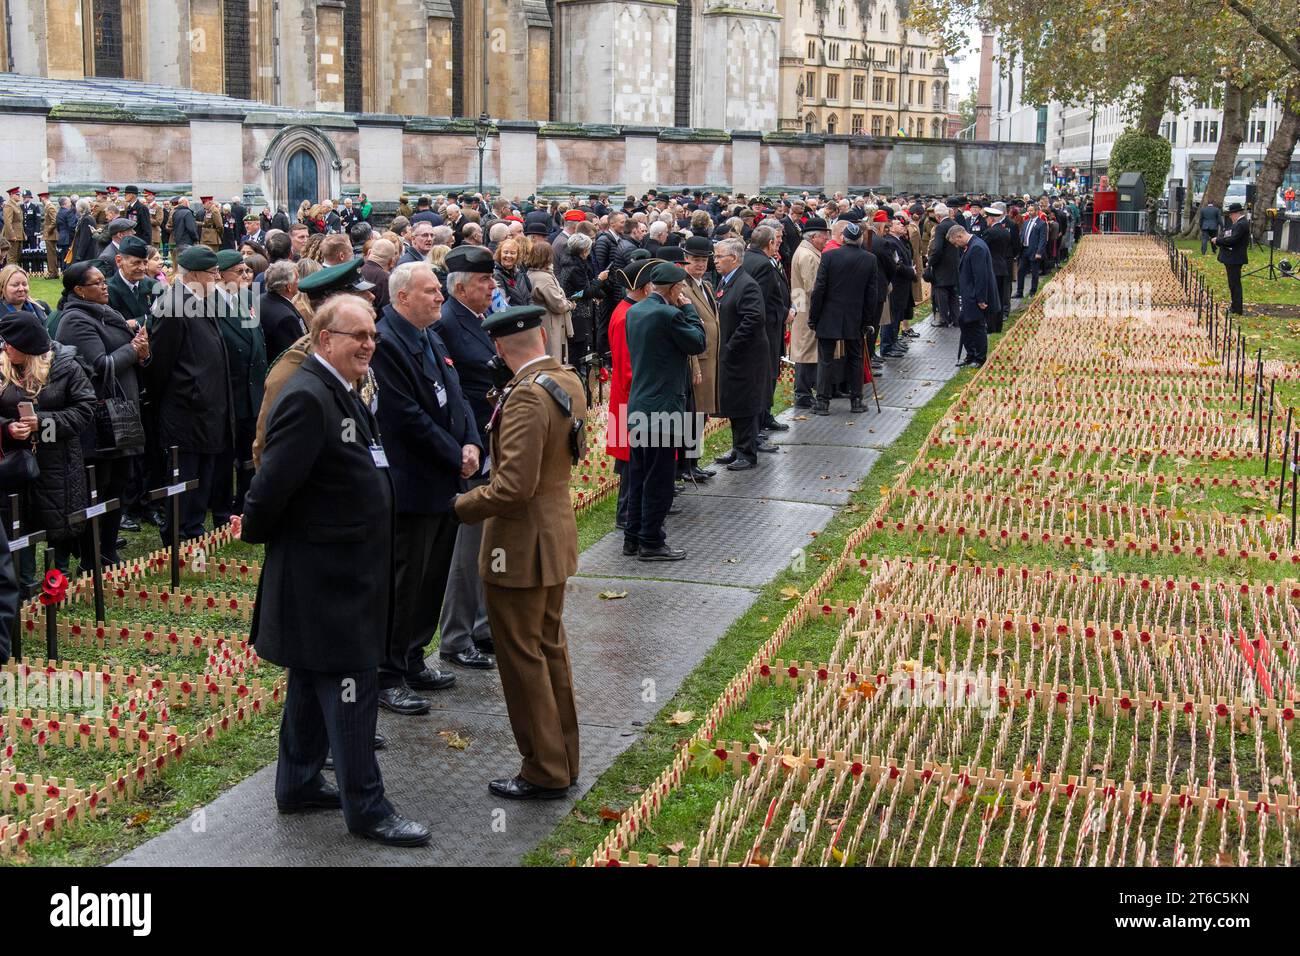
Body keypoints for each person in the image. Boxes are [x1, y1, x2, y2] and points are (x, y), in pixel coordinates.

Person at [242, 293, 430, 847]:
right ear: (326, 340)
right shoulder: (307, 396)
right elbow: (269, 488)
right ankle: (368, 808)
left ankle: (298, 783)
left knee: (310, 676)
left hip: (346, 571)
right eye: (359, 337)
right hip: (325, 578)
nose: (370, 345)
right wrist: (276, 537)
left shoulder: (339, 389)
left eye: (373, 336)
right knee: (352, 685)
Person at [451, 304, 588, 800]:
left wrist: (460, 506)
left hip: (520, 546)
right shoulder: (564, 379)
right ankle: (563, 759)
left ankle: (543, 769)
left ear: (500, 348)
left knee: (522, 658)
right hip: (552, 537)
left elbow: (512, 487)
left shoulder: (527, 397)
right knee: (549, 649)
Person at [371, 262, 483, 714]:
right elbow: (403, 415)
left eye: (439, 290)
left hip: (443, 478)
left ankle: (415, 657)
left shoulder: (429, 335)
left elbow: (456, 396)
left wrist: (472, 438)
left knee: (431, 576)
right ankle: (388, 673)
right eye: (431, 291)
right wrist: (454, 451)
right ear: (403, 298)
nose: (440, 297)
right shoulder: (386, 344)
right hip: (412, 481)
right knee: (405, 581)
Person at [54, 260, 150, 566]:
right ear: (79, 290)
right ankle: (90, 554)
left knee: (119, 482)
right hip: (98, 417)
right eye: (97, 283)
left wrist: (142, 353)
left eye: (104, 281)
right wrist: (133, 351)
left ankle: (108, 548)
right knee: (100, 485)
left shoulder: (109, 314)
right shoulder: (75, 321)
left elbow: (129, 357)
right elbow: (100, 365)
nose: (105, 286)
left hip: (122, 411)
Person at [431, 245, 498, 667]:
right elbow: (452, 394)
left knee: (485, 540)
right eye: (484, 281)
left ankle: (481, 626)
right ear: (460, 287)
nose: (492, 286)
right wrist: (466, 445)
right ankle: (456, 637)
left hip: (486, 442)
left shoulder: (474, 317)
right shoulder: (447, 324)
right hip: (467, 448)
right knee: (467, 547)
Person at [0, 311, 96, 593]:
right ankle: (25, 582)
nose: (5, 348)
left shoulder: (66, 366)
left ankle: (58, 579)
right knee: (20, 520)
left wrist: (43, 424)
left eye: (11, 345)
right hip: (15, 463)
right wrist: (8, 429)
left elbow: (84, 409)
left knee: (59, 519)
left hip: (58, 460)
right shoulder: (2, 366)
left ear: (29, 347)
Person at [147, 245, 233, 542]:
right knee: (184, 476)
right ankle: (179, 533)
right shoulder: (172, 305)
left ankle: (194, 530)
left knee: (204, 473)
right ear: (194, 274)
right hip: (185, 409)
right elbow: (161, 363)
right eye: (213, 274)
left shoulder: (200, 300)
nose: (218, 278)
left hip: (207, 408)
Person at [622, 262, 705, 561]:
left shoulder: (635, 311)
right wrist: (689, 310)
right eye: (681, 288)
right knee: (659, 479)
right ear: (673, 289)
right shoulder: (669, 314)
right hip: (664, 408)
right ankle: (652, 542)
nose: (683, 292)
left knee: (639, 474)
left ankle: (632, 538)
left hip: (639, 404)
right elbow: (698, 341)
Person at [711, 238, 769, 471]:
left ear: (733, 259)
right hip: (733, 355)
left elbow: (753, 318)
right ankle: (738, 447)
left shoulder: (747, 284)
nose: (714, 261)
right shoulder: (727, 281)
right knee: (734, 402)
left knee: (745, 403)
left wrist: (730, 345)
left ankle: (747, 452)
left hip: (745, 356)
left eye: (718, 257)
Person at [808, 221, 877, 415]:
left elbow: (819, 289)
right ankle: (856, 400)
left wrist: (814, 316)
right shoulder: (869, 259)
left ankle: (822, 402)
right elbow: (871, 294)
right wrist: (867, 321)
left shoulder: (829, 256)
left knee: (825, 360)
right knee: (855, 359)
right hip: (855, 316)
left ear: (843, 238)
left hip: (830, 315)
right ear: (860, 239)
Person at [741, 225, 790, 446]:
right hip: (767, 328)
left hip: (771, 325)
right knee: (765, 376)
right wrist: (783, 313)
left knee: (769, 374)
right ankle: (759, 424)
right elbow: (759, 300)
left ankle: (765, 416)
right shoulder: (761, 263)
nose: (779, 242)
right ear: (768, 242)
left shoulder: (757, 259)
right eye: (776, 239)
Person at [680, 235, 720, 447]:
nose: (701, 264)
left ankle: (694, 463)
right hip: (698, 359)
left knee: (701, 413)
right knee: (693, 413)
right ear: (686, 259)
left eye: (704, 260)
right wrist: (694, 365)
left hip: (710, 357)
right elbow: (687, 328)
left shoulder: (705, 285)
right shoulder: (683, 288)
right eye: (696, 259)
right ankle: (689, 465)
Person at [789, 218, 827, 408]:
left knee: (807, 349)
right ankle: (802, 394)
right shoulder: (808, 255)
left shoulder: (806, 251)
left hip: (803, 306)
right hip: (808, 308)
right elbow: (812, 287)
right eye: (823, 235)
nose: (826, 239)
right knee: (805, 351)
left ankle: (804, 391)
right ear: (813, 237)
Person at [948, 224, 997, 367]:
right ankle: (971, 354)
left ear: (959, 236)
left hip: (975, 296)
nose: (956, 245)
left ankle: (979, 357)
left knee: (977, 326)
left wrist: (981, 299)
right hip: (969, 295)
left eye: (955, 242)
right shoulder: (972, 245)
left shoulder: (976, 247)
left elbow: (980, 276)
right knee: (964, 322)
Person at [526, 240, 573, 363]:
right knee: (554, 356)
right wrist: (569, 304)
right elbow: (558, 304)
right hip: (551, 323)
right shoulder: (544, 278)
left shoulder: (532, 273)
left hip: (544, 321)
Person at [259, 260, 308, 362]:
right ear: (288, 287)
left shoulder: (259, 300)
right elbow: (292, 356)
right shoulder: (286, 318)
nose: (299, 281)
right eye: (297, 279)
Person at [980, 204, 1014, 334]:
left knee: (991, 298)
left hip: (992, 268)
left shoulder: (990, 232)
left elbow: (983, 248)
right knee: (1000, 297)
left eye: (987, 218)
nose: (986, 221)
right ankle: (998, 326)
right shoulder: (1005, 231)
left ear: (991, 219)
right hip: (1003, 267)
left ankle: (991, 326)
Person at [1212, 202, 1249, 315]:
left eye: (1231, 214)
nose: (1229, 216)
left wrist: (1218, 241)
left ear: (1236, 213)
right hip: (1233, 258)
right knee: (1232, 283)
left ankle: (1237, 308)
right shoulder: (1239, 223)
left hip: (1235, 258)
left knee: (1234, 283)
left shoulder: (1241, 224)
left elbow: (1233, 240)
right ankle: (1234, 305)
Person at [926, 204, 960, 327]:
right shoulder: (955, 224)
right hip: (954, 263)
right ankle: (956, 319)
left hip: (942, 265)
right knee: (953, 293)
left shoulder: (941, 227)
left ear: (938, 216)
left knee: (941, 292)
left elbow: (938, 248)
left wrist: (930, 262)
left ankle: (943, 319)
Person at [1016, 208, 1046, 298]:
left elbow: (1042, 239)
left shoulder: (1041, 223)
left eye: (1032, 210)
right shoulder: (1025, 222)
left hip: (1034, 250)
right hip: (1024, 249)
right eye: (1028, 210)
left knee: (1034, 272)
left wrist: (1039, 252)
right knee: (1021, 271)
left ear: (1036, 211)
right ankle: (1019, 292)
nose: (1029, 212)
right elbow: (1022, 235)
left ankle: (1033, 291)